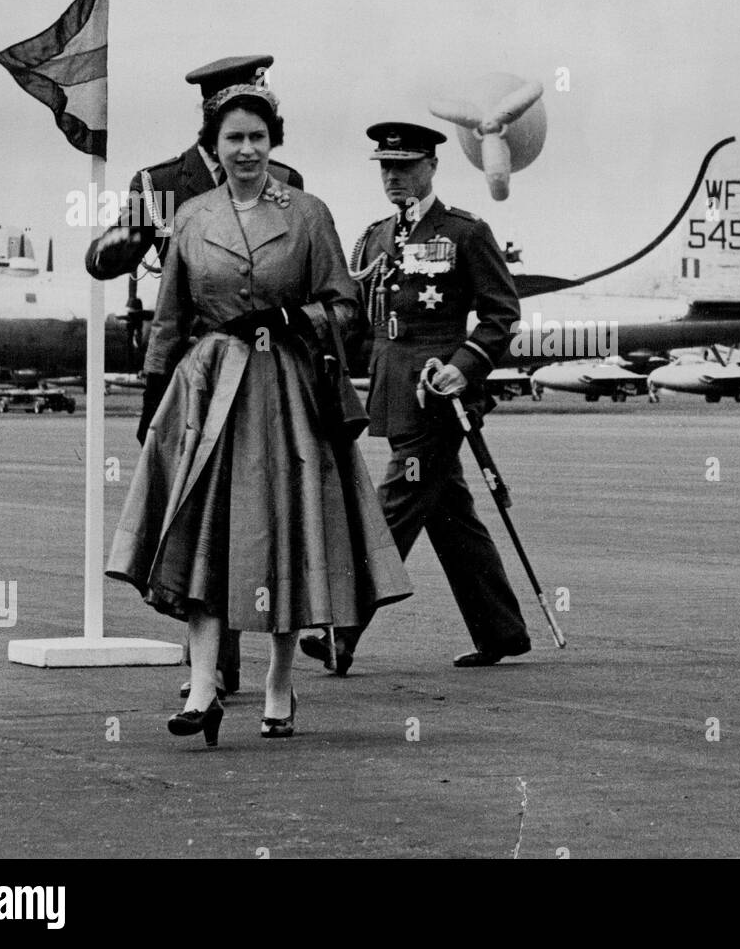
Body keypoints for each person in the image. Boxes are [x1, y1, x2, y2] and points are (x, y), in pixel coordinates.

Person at [105, 84, 411, 743]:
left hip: (284, 389)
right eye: (234, 138)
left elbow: (345, 306)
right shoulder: (191, 217)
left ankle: (278, 681)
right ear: (213, 147)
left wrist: (291, 317)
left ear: (274, 143)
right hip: (207, 394)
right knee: (203, 534)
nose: (246, 150)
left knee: (286, 534)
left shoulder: (307, 213)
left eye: (258, 137)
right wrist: (155, 399)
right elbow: (169, 318)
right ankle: (204, 688)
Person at [86, 55, 304, 701]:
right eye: (233, 117)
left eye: (257, 116)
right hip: (194, 366)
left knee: (251, 509)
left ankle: (233, 670)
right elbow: (107, 260)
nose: (246, 141)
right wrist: (126, 241)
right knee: (202, 511)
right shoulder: (160, 181)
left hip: (263, 363)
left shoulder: (288, 182)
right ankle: (212, 669)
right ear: (210, 115)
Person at [300, 121, 531, 672]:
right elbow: (359, 320)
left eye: (404, 166)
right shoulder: (375, 237)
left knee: (391, 510)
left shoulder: (465, 232)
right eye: (386, 166)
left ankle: (341, 632)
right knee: (450, 514)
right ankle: (501, 631)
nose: (393, 176)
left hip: (437, 396)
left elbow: (501, 314)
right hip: (392, 389)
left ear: (431, 166)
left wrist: (462, 369)